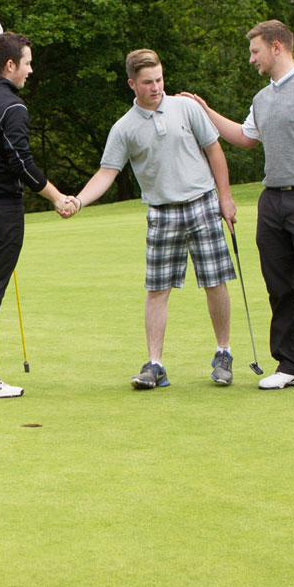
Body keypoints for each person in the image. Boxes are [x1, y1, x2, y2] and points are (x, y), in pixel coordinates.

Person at [179, 20, 294, 390]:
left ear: (277, 46)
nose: (252, 59)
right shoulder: (262, 99)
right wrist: (204, 111)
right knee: (278, 282)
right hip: (274, 199)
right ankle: (290, 363)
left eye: (255, 51)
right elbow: (245, 137)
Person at [71, 49, 240, 390]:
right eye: (147, 82)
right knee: (157, 289)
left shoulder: (186, 107)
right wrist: (78, 201)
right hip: (162, 212)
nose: (156, 87)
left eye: (159, 79)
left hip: (202, 203)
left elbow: (214, 151)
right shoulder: (124, 128)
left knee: (214, 281)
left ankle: (223, 354)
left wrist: (226, 197)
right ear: (132, 84)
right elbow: (107, 173)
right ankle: (155, 364)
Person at [0, 32, 77, 400]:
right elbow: (21, 163)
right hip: (0, 210)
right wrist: (56, 197)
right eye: (27, 63)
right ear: (10, 65)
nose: (30, 70)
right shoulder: (12, 107)